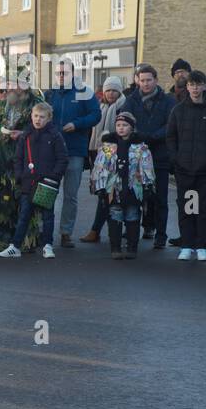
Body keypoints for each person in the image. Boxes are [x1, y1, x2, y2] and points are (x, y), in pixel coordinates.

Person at [0, 102, 68, 259]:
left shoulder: (55, 136)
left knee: (47, 216)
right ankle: (15, 246)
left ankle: (47, 245)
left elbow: (62, 159)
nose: (38, 120)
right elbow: (18, 158)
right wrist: (20, 175)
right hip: (28, 182)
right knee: (24, 215)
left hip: (46, 183)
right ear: (31, 116)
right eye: (35, 116)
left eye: (42, 117)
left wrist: (54, 177)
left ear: (49, 118)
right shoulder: (26, 136)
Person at [46, 59, 100, 248]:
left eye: (65, 73)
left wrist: (77, 124)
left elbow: (96, 114)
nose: (61, 76)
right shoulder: (49, 93)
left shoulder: (84, 92)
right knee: (48, 193)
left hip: (74, 150)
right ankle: (45, 233)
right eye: (58, 73)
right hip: (51, 152)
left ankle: (66, 233)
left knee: (70, 195)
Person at [0, 81, 45, 251]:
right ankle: (5, 237)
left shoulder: (36, 104)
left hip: (27, 161)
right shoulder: (4, 103)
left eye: (15, 85)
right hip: (4, 161)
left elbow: (44, 129)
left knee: (26, 200)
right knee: (4, 201)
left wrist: (23, 134)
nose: (11, 89)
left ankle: (28, 239)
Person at [167, 71, 206, 263]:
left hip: (204, 170)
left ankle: (202, 246)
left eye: (198, 84)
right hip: (184, 169)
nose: (195, 88)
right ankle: (187, 245)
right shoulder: (178, 110)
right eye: (191, 84)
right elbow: (171, 137)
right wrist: (176, 158)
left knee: (203, 209)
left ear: (205, 85)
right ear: (187, 87)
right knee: (188, 208)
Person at [124, 64, 175, 248]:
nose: (145, 83)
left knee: (160, 198)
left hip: (159, 155)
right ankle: (132, 232)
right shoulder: (131, 100)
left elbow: (171, 124)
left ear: (156, 80)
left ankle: (160, 235)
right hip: (136, 156)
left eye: (149, 80)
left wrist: (152, 137)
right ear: (138, 81)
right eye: (142, 80)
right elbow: (124, 119)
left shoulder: (168, 100)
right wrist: (136, 136)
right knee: (136, 196)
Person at [92, 112, 155, 259]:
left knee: (133, 216)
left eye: (125, 125)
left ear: (132, 128)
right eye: (118, 125)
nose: (121, 128)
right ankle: (115, 247)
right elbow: (101, 168)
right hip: (114, 189)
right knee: (115, 216)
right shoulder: (108, 146)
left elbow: (146, 168)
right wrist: (100, 187)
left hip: (134, 187)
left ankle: (132, 247)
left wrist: (147, 186)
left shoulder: (141, 148)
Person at [80, 76, 127, 243]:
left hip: (117, 156)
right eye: (108, 90)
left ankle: (99, 230)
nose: (111, 94)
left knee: (112, 196)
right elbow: (91, 133)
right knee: (103, 195)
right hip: (99, 155)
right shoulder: (99, 107)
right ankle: (101, 231)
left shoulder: (124, 107)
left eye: (115, 90)